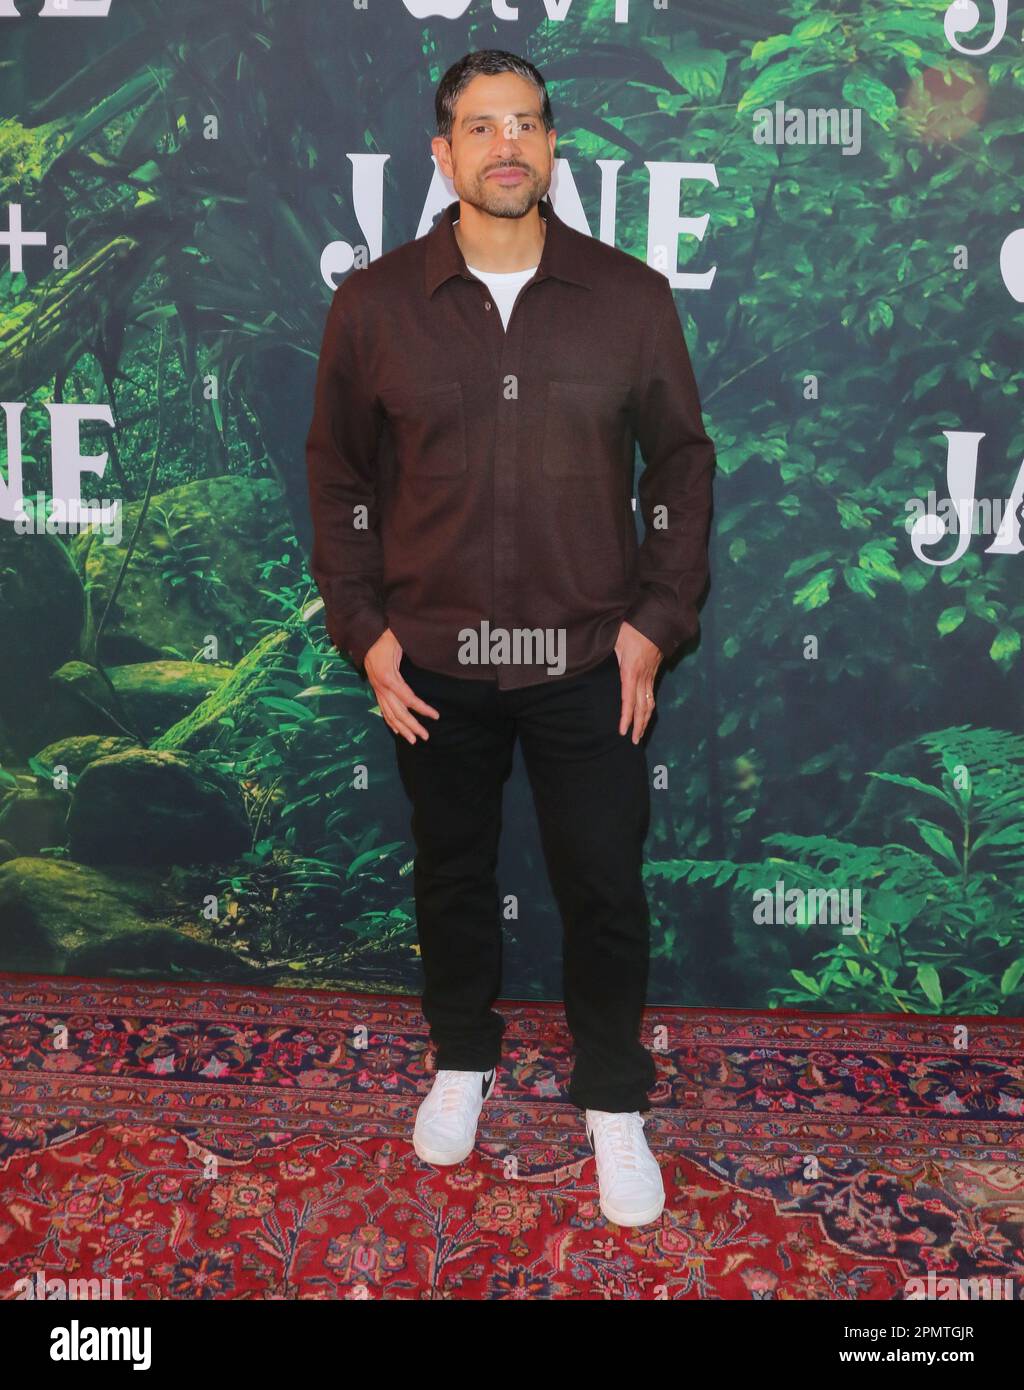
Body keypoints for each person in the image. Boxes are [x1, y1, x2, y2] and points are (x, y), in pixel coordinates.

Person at [305, 49, 715, 1227]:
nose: (505, 146)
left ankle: (612, 1100)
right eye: (479, 127)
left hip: (589, 658)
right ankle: (462, 1060)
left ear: (550, 148)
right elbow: (337, 475)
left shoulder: (628, 298)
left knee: (601, 885)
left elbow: (681, 465)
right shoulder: (375, 305)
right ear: (441, 153)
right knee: (450, 876)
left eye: (525, 124)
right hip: (432, 662)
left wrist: (654, 623)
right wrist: (365, 630)